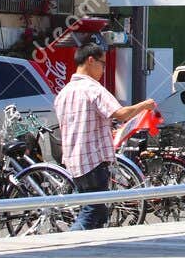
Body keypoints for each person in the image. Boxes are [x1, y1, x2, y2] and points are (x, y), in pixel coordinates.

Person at [55, 43, 159, 231]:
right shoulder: (93, 89)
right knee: (92, 210)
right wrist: (144, 105)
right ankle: (67, 242)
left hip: (73, 161)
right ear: (90, 60)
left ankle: (91, 245)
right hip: (93, 160)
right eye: (102, 64)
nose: (103, 69)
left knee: (99, 211)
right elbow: (120, 114)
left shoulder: (63, 93)